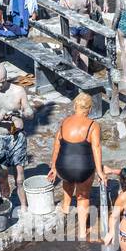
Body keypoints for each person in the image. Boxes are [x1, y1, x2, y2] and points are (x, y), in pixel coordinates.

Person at [48, 93, 104, 241]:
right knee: (83, 195)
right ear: (90, 109)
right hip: (82, 170)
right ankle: (82, 232)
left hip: (63, 168)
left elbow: (57, 145)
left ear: (75, 107)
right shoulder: (93, 125)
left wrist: (53, 167)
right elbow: (96, 148)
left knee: (68, 178)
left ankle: (65, 207)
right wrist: (99, 171)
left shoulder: (65, 122)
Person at [0, 65, 33, 209]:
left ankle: (24, 206)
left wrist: (27, 112)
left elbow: (28, 109)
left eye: (3, 81)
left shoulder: (18, 90)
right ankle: (6, 205)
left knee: (20, 177)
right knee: (2, 176)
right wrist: (0, 116)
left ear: (6, 77)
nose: (0, 85)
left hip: (16, 136)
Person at [57, 0, 96, 69]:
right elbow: (91, 10)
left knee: (74, 52)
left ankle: (75, 73)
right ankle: (85, 74)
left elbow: (60, 13)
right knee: (84, 51)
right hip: (84, 24)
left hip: (72, 25)